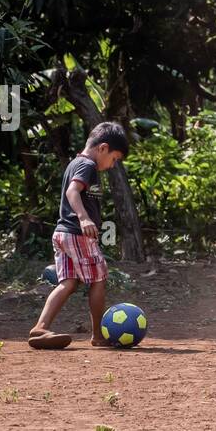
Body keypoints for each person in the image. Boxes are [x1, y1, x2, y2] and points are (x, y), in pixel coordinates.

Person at [29, 121, 129, 350]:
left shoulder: (76, 163)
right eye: (114, 158)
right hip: (76, 233)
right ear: (103, 148)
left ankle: (40, 328)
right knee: (98, 279)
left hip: (63, 233)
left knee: (68, 283)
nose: (113, 165)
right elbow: (72, 192)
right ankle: (98, 336)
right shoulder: (87, 165)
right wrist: (84, 219)